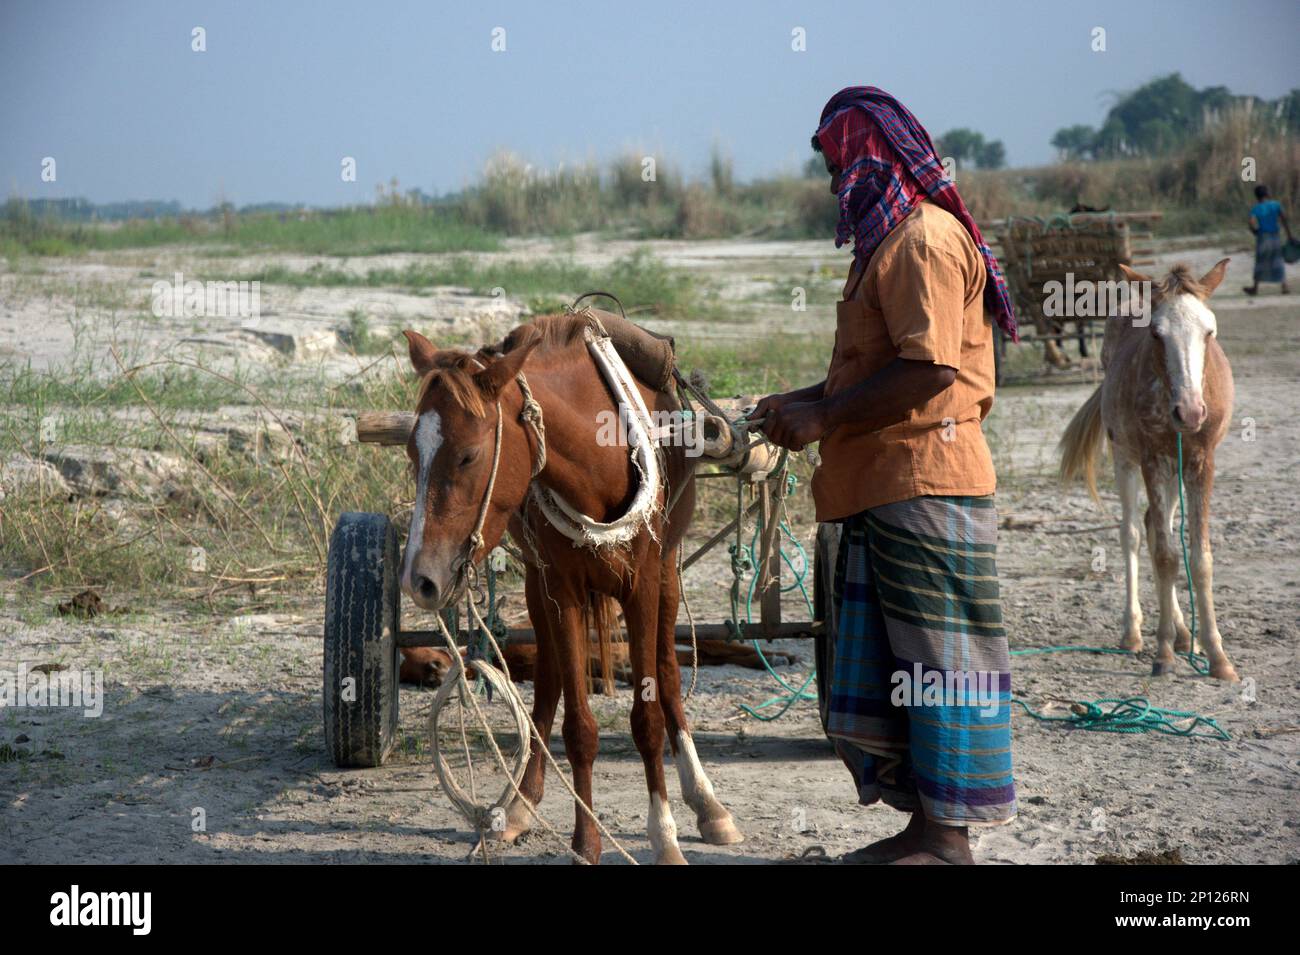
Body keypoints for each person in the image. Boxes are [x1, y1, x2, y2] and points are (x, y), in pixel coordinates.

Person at [754, 87, 1017, 864]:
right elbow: (881, 367)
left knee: (941, 664)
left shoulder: (922, 243)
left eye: (842, 165)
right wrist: (798, 403)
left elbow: (929, 372)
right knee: (907, 663)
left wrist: (823, 419)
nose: (838, 183)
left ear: (873, 157)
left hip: (927, 484)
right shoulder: (890, 242)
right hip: (889, 486)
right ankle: (923, 826)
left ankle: (946, 841)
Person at [1244, 185, 1291, 295]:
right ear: (1267, 194)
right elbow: (1284, 220)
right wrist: (1289, 235)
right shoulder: (1276, 205)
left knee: (1260, 262)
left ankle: (1255, 288)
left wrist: (1255, 231)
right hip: (1274, 236)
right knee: (1278, 261)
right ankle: (1284, 286)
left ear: (1257, 196)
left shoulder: (1256, 208)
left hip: (1262, 237)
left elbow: (1251, 222)